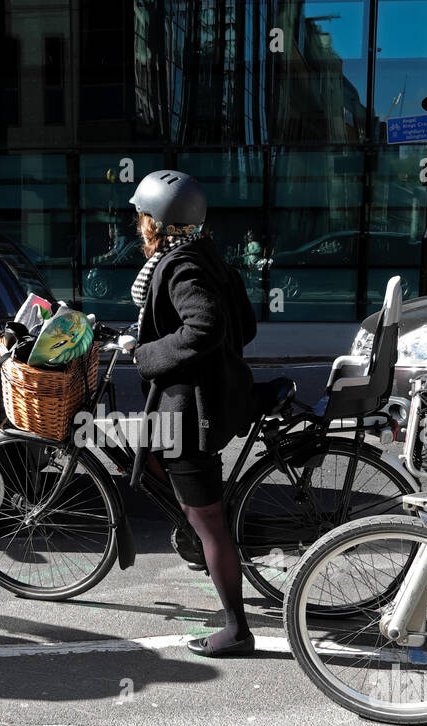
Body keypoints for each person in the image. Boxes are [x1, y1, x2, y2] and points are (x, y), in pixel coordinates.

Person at [121, 170, 258, 658]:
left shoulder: (180, 267)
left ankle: (236, 630)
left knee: (211, 524)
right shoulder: (207, 256)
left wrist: (145, 355)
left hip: (190, 411)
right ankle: (192, 531)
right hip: (209, 399)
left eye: (142, 217)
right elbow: (246, 325)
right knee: (160, 469)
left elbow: (204, 327)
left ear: (156, 222)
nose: (138, 225)